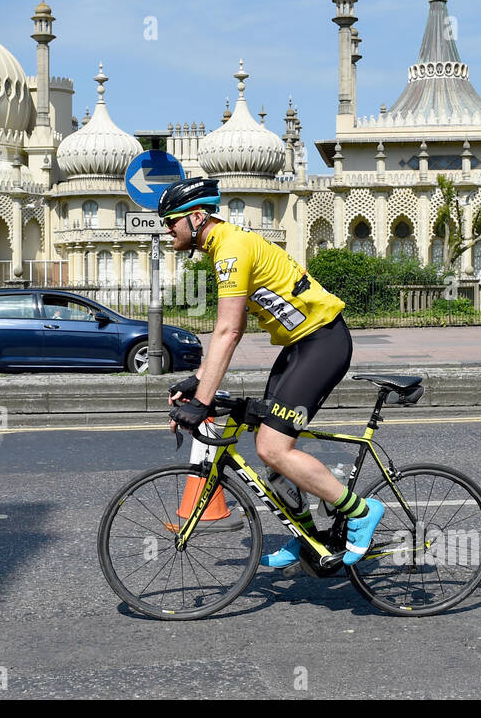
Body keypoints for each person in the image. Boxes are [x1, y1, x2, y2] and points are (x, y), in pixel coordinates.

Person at [160, 177, 385, 567]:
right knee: (268, 444)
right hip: (299, 346)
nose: (168, 230)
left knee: (272, 446)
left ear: (196, 217)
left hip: (322, 342)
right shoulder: (223, 246)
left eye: (171, 221)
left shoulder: (229, 249)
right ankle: (308, 538)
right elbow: (232, 329)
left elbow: (229, 330)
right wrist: (200, 380)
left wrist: (202, 401)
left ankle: (361, 513)